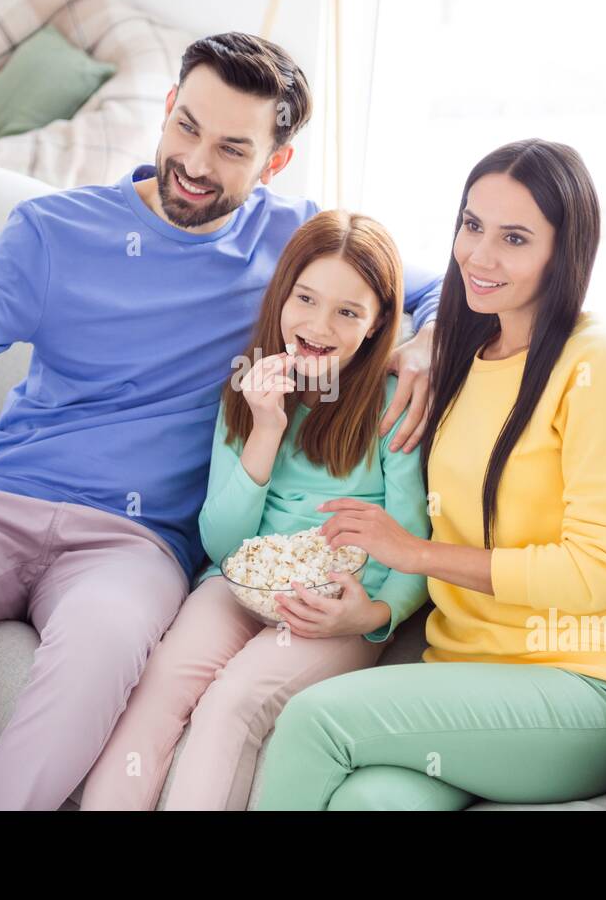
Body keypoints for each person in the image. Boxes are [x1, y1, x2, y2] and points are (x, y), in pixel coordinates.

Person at [0, 33, 442, 810]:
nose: (196, 163)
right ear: (166, 110)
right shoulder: (51, 231)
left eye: (233, 148)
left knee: (102, 646)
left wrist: (429, 344)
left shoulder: (296, 250)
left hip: (138, 543)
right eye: (187, 127)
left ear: (274, 162)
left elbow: (426, 287)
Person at [254, 139, 606, 810]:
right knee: (368, 803)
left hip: (578, 685)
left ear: (563, 253)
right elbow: (386, 279)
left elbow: (598, 574)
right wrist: (425, 339)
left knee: (312, 720)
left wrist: (413, 553)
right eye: (471, 225)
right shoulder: (467, 349)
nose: (480, 254)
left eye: (514, 237)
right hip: (463, 676)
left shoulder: (598, 366)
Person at [79, 210, 430, 811]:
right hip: (239, 583)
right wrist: (265, 428)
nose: (319, 326)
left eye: (348, 312)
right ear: (281, 295)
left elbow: (414, 545)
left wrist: (372, 613)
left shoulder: (392, 403)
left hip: (337, 601)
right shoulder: (250, 387)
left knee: (234, 699)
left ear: (377, 326)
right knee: (159, 685)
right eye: (306, 298)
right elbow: (222, 544)